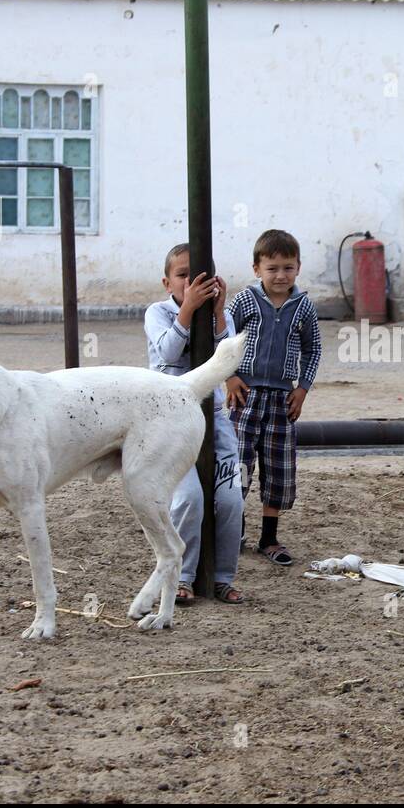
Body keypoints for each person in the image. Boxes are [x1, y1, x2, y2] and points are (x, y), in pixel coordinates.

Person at [143, 244, 244, 603]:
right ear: (167, 282)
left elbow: (225, 360)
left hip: (213, 417)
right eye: (183, 275)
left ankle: (222, 577)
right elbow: (168, 354)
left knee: (231, 500)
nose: (191, 281)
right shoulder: (158, 312)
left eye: (199, 274)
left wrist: (217, 314)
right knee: (188, 498)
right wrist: (187, 311)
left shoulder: (222, 314)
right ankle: (182, 577)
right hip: (170, 423)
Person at [225, 229, 322, 567]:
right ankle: (232, 532)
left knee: (278, 468)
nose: (281, 275)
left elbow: (313, 349)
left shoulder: (303, 306)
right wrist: (230, 376)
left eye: (288, 268)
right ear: (257, 269)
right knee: (238, 466)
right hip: (245, 397)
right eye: (273, 268)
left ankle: (269, 537)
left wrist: (302, 388)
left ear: (298, 268)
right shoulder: (244, 301)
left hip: (283, 399)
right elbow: (221, 336)